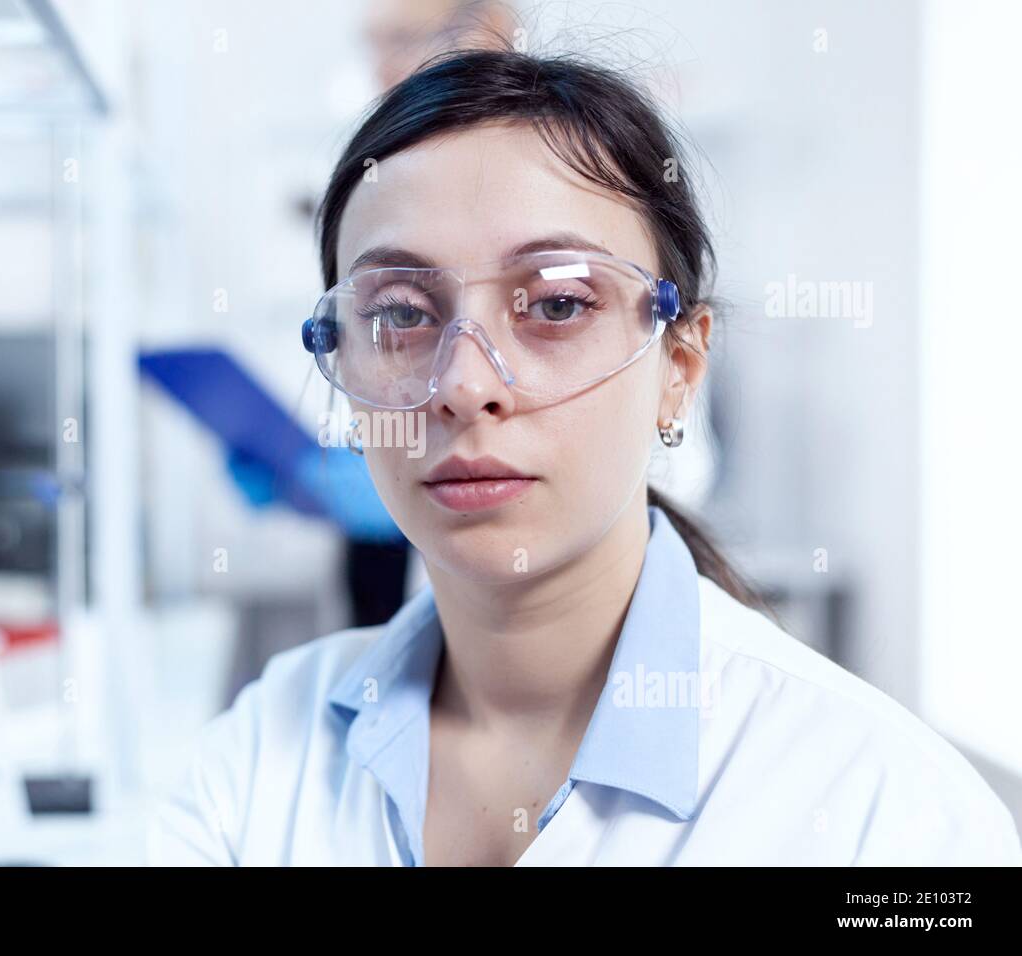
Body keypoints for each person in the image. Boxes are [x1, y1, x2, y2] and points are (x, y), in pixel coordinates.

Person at [152, 45, 1021, 866]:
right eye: (402, 313)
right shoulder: (260, 757)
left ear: (679, 368)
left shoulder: (884, 812)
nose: (463, 385)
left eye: (558, 305)